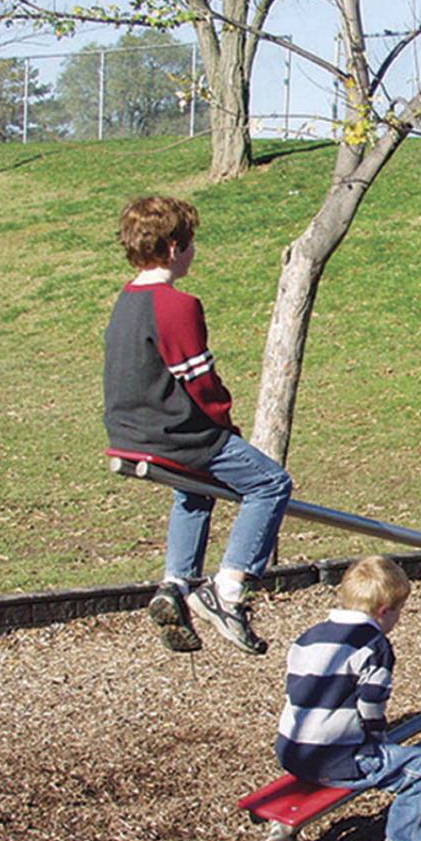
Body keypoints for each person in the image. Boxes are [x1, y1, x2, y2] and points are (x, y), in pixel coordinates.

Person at [103, 195, 293, 655]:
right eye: (190, 244)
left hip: (130, 431)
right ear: (172, 248)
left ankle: (175, 584)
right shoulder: (177, 306)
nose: (192, 252)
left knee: (195, 488)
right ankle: (227, 592)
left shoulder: (125, 300)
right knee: (270, 484)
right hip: (179, 435)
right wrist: (225, 426)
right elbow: (200, 382)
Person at [274, 556, 421, 841]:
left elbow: (295, 690)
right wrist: (380, 740)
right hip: (336, 757)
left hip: (291, 752)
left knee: (323, 740)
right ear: (384, 610)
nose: (396, 620)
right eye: (398, 612)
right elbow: (371, 706)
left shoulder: (308, 637)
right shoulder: (373, 645)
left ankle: (282, 821)